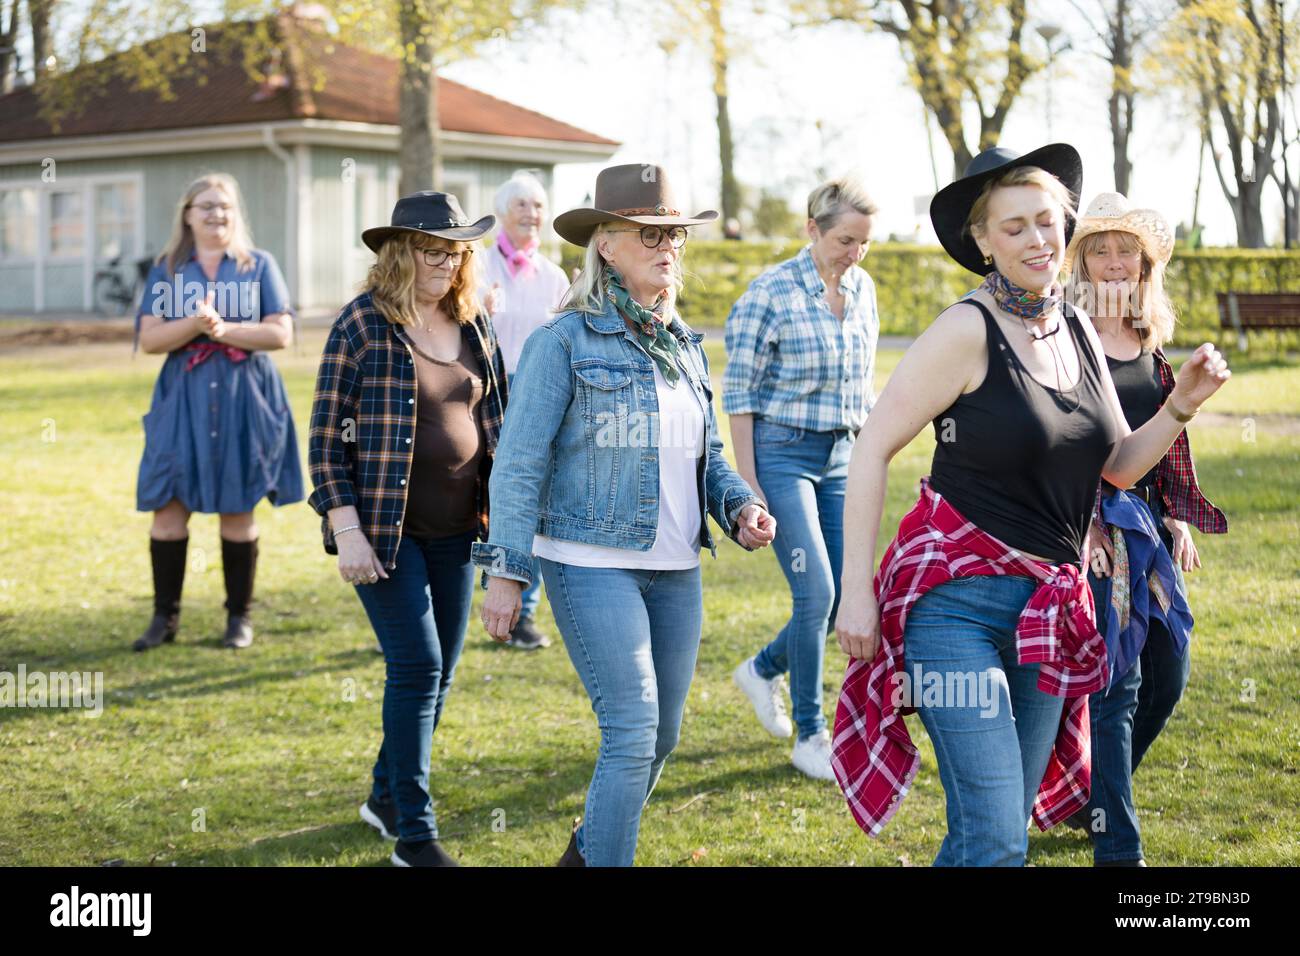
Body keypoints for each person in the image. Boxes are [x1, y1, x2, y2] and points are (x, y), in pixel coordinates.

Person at [830, 144, 1231, 866]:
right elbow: (871, 449)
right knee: (995, 838)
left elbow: (1115, 465)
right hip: (957, 608)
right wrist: (855, 592)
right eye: (1013, 227)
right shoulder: (967, 330)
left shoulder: (1076, 328)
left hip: (1048, 608)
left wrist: (1179, 406)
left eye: (1046, 221)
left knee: (994, 830)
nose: (1036, 240)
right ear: (982, 241)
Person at [474, 164, 776, 867]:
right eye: (649, 234)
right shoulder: (563, 342)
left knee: (663, 736)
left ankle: (587, 852)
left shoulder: (686, 347)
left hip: (675, 568)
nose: (667, 245)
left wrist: (740, 508)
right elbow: (517, 464)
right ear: (607, 245)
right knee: (633, 731)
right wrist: (507, 573)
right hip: (588, 562)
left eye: (673, 233)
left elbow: (708, 457)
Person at [307, 191, 505, 868]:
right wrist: (346, 528)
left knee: (441, 671)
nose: (445, 263)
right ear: (399, 252)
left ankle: (385, 797)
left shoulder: (473, 323)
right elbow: (325, 437)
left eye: (455, 251)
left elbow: (496, 426)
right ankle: (414, 836)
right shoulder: (363, 324)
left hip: (458, 531)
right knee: (417, 666)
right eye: (430, 250)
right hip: (386, 535)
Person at [1062, 192, 1228, 866]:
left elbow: (1157, 438)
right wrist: (1086, 530)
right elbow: (1065, 444)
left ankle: (1093, 795)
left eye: (1123, 248)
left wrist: (1175, 518)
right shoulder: (1065, 333)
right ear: (1081, 260)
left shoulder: (1147, 337)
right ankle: (1118, 853)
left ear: (1144, 262)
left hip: (1146, 529)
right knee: (1118, 687)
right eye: (1098, 248)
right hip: (1092, 532)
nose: (1111, 260)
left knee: (1169, 673)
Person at [723, 176, 880, 780]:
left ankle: (762, 669)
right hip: (783, 456)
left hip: (842, 456)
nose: (855, 254)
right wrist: (750, 485)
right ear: (812, 229)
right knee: (814, 592)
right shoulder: (769, 293)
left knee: (843, 594)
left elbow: (860, 387)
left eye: (865, 242)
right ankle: (813, 736)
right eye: (845, 239)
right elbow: (739, 394)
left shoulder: (863, 289)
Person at [133, 172, 301, 652]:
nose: (216, 214)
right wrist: (193, 322)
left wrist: (224, 330)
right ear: (187, 214)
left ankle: (238, 619)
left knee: (237, 506)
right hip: (181, 398)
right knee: (167, 509)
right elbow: (149, 339)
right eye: (205, 205)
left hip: (242, 397)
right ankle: (164, 619)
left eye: (224, 206)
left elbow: (280, 334)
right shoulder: (168, 268)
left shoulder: (258, 265)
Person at [479, 171, 571, 649]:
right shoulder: (477, 266)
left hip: (538, 394)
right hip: (483, 392)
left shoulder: (554, 276)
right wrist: (479, 309)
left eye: (538, 205)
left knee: (531, 497)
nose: (532, 214)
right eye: (522, 205)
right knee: (484, 494)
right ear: (502, 212)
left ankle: (523, 612)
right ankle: (474, 588)